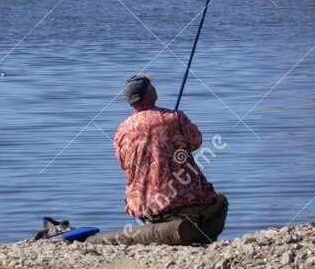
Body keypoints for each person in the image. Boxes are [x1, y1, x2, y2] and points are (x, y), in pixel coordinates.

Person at [98, 74, 228, 245]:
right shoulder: (175, 118)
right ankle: (206, 239)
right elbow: (196, 142)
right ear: (151, 93)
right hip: (182, 201)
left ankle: (164, 223)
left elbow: (124, 164)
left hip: (144, 207)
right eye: (152, 86)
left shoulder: (121, 131)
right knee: (220, 202)